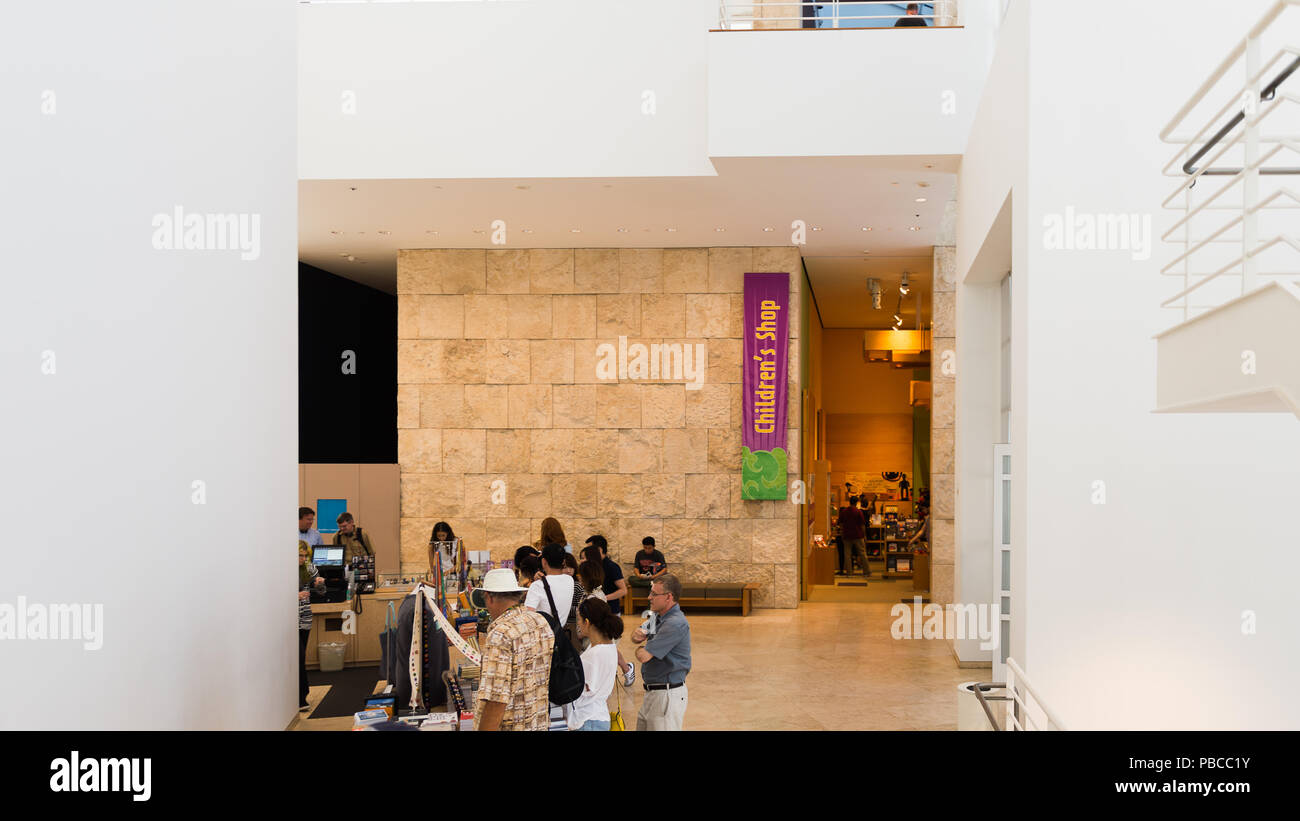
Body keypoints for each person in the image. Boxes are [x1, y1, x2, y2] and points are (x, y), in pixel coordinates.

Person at [472, 568, 554, 731]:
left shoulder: (500, 634)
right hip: (537, 724)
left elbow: (495, 700)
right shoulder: (540, 622)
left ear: (489, 598)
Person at [630, 574, 691, 731]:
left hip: (667, 696)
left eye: (654, 594)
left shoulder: (674, 623)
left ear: (668, 597)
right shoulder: (658, 617)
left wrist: (640, 648)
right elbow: (636, 636)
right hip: (653, 693)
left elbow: (643, 656)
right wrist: (638, 636)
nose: (649, 597)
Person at [582, 537, 635, 686]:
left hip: (610, 612)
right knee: (605, 646)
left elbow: (623, 590)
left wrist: (602, 598)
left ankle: (625, 669)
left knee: (608, 646)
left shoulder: (611, 567)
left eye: (589, 549)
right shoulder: (593, 568)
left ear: (599, 550)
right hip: (596, 612)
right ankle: (624, 670)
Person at [568, 598, 623, 731]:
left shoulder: (593, 655)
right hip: (599, 716)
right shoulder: (609, 646)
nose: (578, 624)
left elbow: (581, 690)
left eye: (579, 620)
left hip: (588, 720)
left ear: (587, 622)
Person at [298, 541, 325, 712]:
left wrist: (319, 583)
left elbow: (322, 591)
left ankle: (301, 696)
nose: (303, 559)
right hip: (290, 620)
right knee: (298, 659)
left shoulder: (309, 569)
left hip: (305, 619)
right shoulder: (283, 570)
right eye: (300, 555)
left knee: (301, 659)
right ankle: (301, 697)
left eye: (305, 556)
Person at [524, 543, 575, 628]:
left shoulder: (537, 586)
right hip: (559, 633)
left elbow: (527, 617)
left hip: (543, 636)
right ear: (563, 561)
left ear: (544, 561)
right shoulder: (570, 580)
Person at [838, 495, 870, 577]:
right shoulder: (858, 512)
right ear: (856, 503)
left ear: (849, 502)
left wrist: (842, 533)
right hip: (858, 535)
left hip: (847, 535)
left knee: (847, 555)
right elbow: (862, 525)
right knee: (862, 553)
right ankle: (866, 572)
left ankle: (849, 573)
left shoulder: (844, 511)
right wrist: (864, 535)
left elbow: (841, 524)